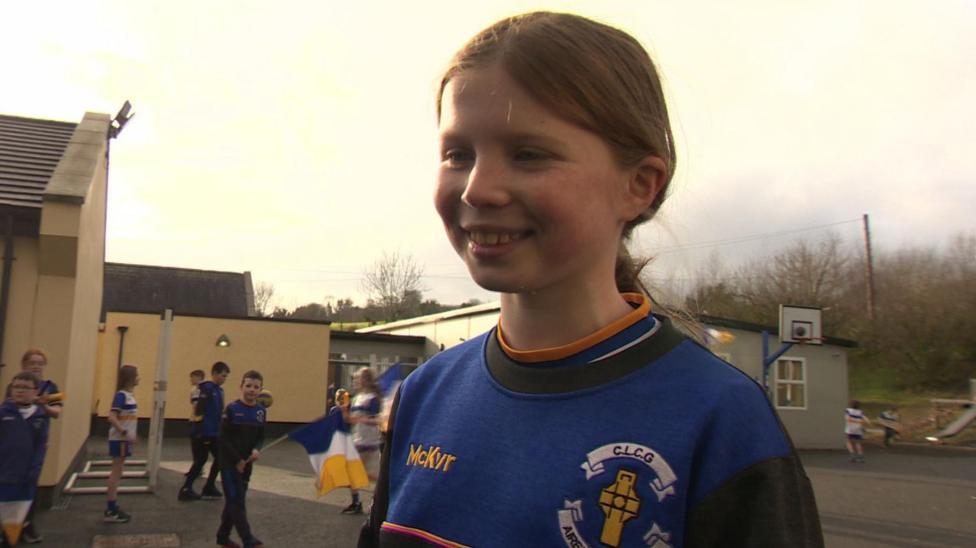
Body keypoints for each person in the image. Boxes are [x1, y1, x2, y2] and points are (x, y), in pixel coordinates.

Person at [359, 12, 823, 547]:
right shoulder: (425, 395)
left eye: (529, 154)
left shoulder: (721, 420)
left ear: (639, 185)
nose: (477, 190)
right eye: (459, 155)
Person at [4, 349, 62, 544]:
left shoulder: (51, 386)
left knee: (31, 482)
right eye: (32, 362)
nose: (36, 366)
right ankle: (8, 528)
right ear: (24, 365)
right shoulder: (15, 385)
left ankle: (27, 525)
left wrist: (42, 404)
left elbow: (57, 412)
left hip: (37, 439)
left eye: (40, 363)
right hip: (13, 442)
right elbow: (8, 408)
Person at [216, 370, 266, 548]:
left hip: (247, 465)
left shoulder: (260, 411)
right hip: (230, 464)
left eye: (256, 387)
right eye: (248, 386)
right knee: (236, 501)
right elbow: (223, 438)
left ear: (261, 389)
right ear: (241, 387)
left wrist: (256, 449)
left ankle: (222, 536)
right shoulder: (231, 409)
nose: (252, 390)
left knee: (234, 501)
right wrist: (237, 460)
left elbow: (260, 437)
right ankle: (247, 539)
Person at [0, 372, 49, 548]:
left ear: (36, 392)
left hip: (25, 480)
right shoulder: (4, 413)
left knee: (13, 527)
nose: (20, 391)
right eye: (16, 387)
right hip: (4, 476)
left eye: (25, 387)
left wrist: (34, 471)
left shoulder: (40, 417)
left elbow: (41, 447)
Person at [180, 362, 230, 501]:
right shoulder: (207, 388)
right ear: (214, 374)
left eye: (226, 376)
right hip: (205, 431)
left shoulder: (219, 391)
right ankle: (186, 488)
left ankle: (209, 486)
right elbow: (199, 409)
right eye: (222, 375)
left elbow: (219, 411)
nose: (224, 379)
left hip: (215, 431)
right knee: (201, 459)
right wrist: (199, 428)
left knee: (219, 458)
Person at [339, 368, 382, 515]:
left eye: (358, 378)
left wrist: (361, 419)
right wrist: (343, 410)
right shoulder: (357, 398)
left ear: (366, 380)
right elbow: (350, 420)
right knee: (355, 472)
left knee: (367, 474)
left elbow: (377, 420)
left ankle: (379, 500)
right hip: (357, 438)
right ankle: (357, 502)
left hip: (369, 440)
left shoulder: (372, 398)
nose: (356, 381)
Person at [105, 365, 139, 523]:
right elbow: (112, 417)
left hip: (123, 440)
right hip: (119, 440)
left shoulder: (128, 395)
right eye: (137, 375)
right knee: (116, 472)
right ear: (130, 377)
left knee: (118, 471)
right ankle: (111, 509)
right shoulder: (121, 395)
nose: (139, 378)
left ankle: (112, 507)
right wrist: (125, 433)